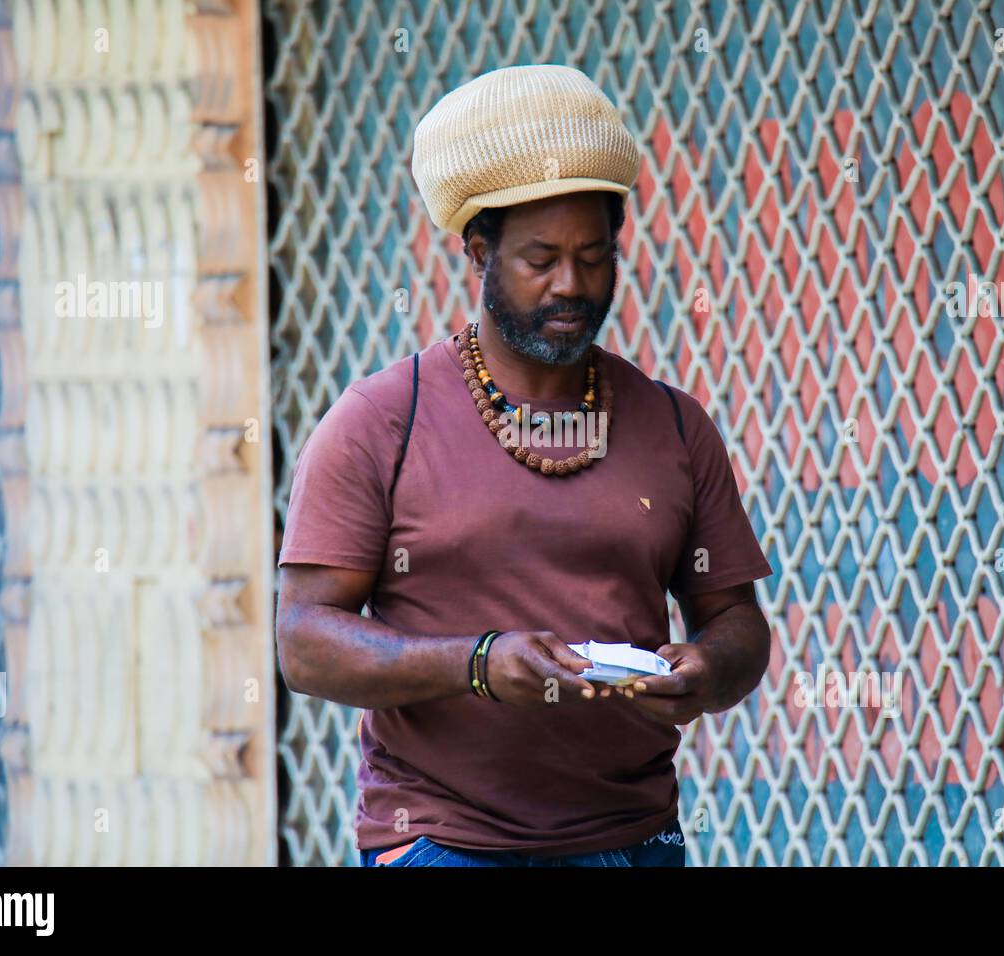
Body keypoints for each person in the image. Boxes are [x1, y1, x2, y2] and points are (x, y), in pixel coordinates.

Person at [275, 64, 773, 867]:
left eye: (594, 256)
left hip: (636, 843)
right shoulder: (377, 422)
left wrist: (710, 670)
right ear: (479, 250)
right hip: (442, 845)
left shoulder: (674, 425)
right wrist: (475, 664)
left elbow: (739, 620)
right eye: (540, 258)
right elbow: (303, 641)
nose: (571, 285)